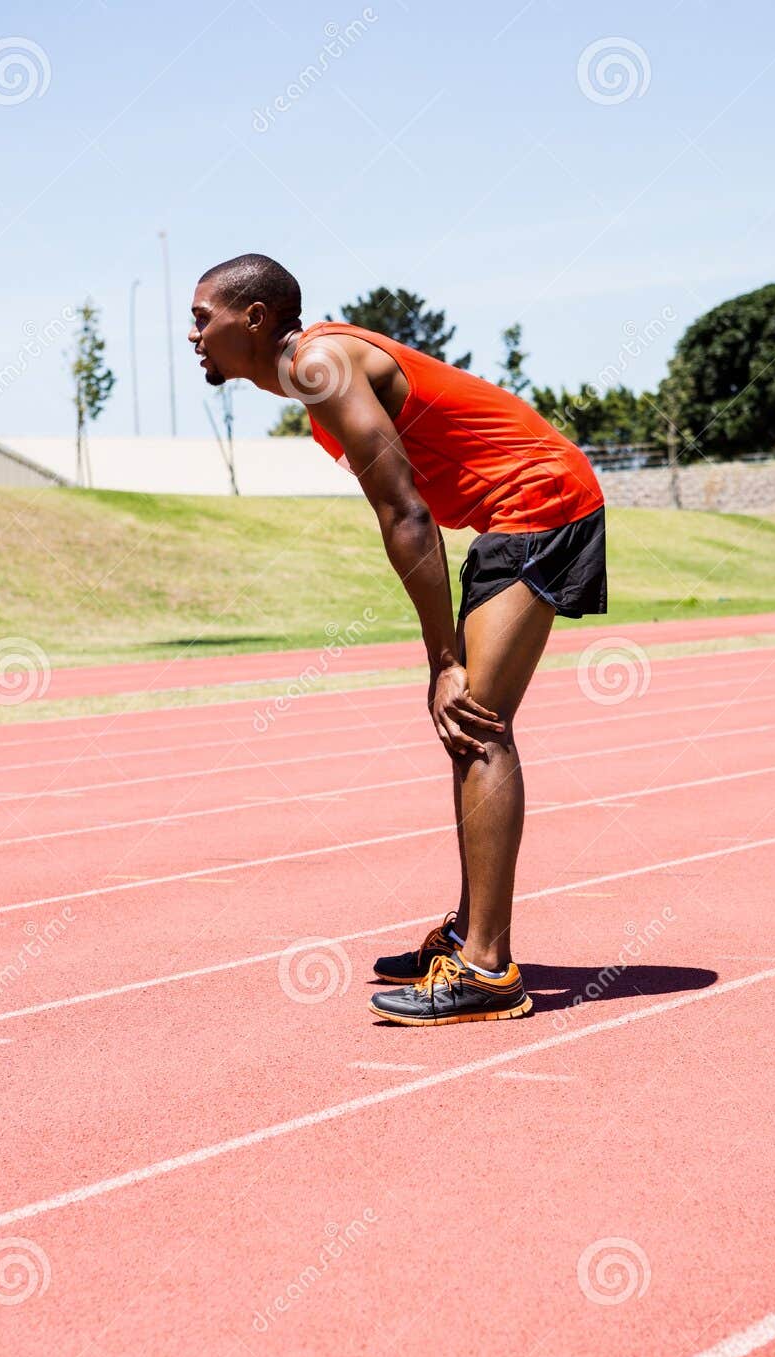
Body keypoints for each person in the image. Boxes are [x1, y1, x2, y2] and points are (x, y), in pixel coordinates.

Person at [189, 254, 607, 1026]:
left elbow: (405, 513)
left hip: (541, 498)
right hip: (510, 508)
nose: (192, 334)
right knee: (467, 730)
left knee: (475, 720)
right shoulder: (310, 376)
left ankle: (486, 969)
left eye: (201, 315)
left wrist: (442, 659)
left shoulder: (318, 362)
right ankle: (466, 932)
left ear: (253, 318)